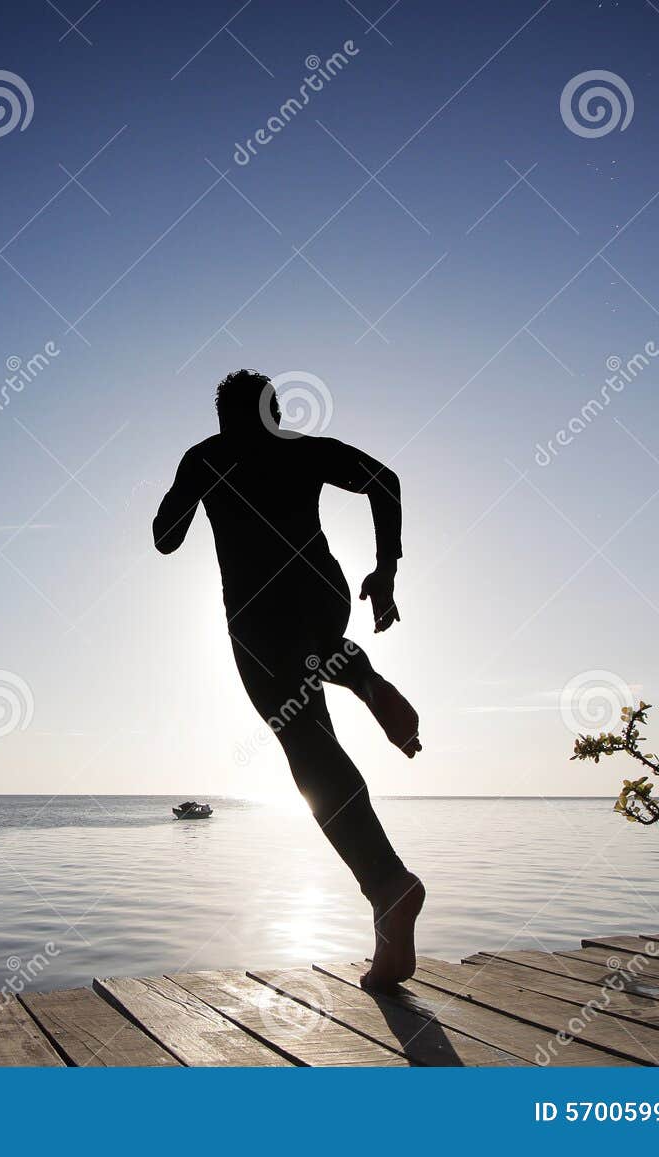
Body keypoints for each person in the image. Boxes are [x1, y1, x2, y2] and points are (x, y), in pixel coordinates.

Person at [153, 369, 425, 989]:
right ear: (275, 413)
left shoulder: (208, 455)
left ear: (225, 417)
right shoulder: (304, 451)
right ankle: (357, 672)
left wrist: (188, 486)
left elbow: (165, 540)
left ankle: (387, 884)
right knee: (318, 665)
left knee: (307, 747)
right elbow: (387, 480)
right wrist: (385, 572)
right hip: (324, 595)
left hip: (259, 614)